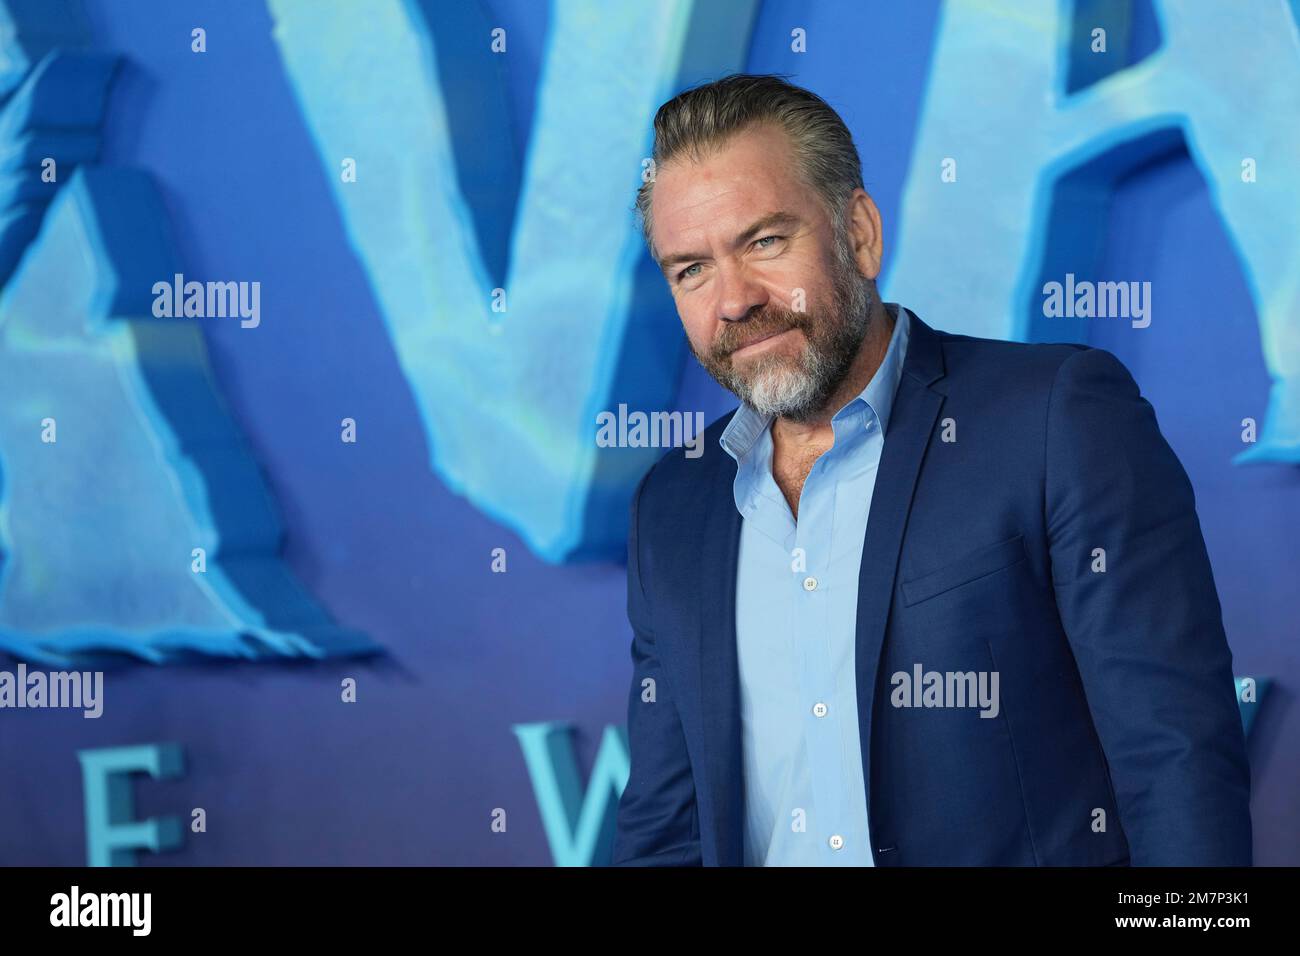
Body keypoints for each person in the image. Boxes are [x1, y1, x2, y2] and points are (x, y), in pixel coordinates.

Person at [610, 73, 1251, 866]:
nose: (734, 300)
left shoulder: (1054, 419)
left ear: (861, 233)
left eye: (766, 241)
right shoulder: (672, 505)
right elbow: (666, 829)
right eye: (691, 270)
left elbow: (1175, 760)